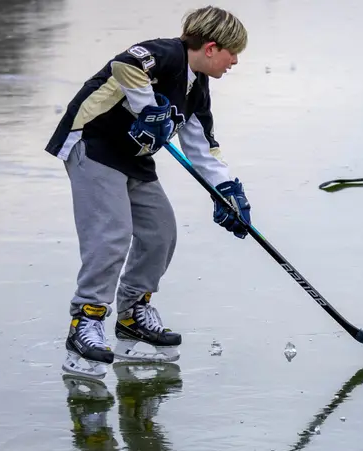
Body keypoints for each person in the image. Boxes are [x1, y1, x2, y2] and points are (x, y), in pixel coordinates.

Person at [45, 6, 253, 381]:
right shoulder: (167, 54)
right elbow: (125, 64)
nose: (235, 60)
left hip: (133, 160)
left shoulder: (196, 89)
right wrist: (147, 107)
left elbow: (202, 146)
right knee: (111, 236)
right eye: (231, 51)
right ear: (210, 47)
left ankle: (131, 316)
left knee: (160, 233)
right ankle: (85, 322)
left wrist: (226, 191)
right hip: (93, 145)